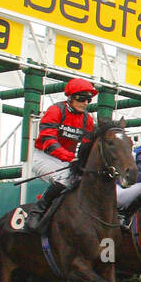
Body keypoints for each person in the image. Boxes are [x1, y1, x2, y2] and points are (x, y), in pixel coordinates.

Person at [31, 77, 98, 215]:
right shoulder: (55, 110)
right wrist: (70, 158)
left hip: (67, 159)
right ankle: (38, 211)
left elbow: (87, 146)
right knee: (65, 177)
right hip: (44, 156)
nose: (85, 103)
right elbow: (47, 140)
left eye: (88, 100)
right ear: (71, 98)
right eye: (81, 98)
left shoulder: (88, 119)